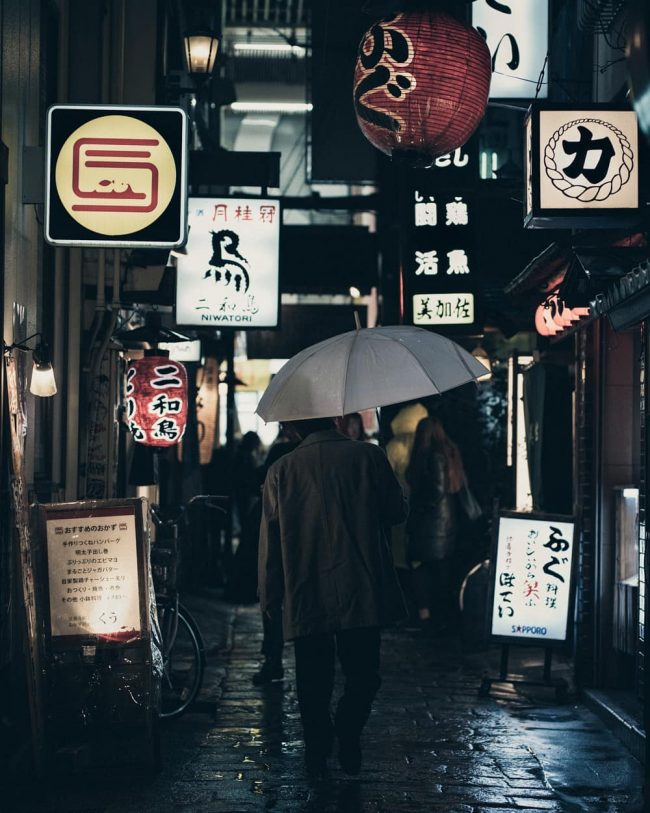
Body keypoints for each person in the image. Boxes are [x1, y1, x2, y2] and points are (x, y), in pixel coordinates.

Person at [258, 417, 407, 780]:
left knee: (312, 681)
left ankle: (317, 749)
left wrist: (269, 594)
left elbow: (271, 543)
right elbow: (396, 512)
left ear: (294, 429)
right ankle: (348, 729)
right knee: (364, 675)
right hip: (361, 582)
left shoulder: (281, 470)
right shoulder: (368, 457)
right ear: (336, 420)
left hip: (306, 587)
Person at [405, 415, 464, 636]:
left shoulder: (433, 456)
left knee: (421, 568)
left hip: (430, 528)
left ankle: (427, 614)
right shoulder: (447, 453)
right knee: (439, 571)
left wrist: (417, 505)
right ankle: (441, 616)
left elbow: (435, 491)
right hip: (444, 526)